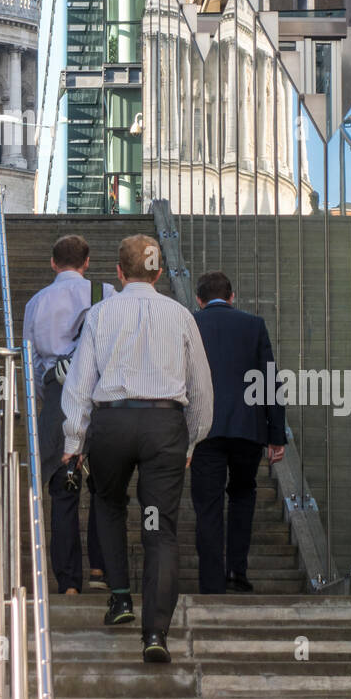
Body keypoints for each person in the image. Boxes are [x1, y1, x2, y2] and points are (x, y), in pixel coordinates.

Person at [62, 235, 213, 663]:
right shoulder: (181, 315)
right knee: (159, 527)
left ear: (119, 273)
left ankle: (121, 599)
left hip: (112, 422)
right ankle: (156, 634)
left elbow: (79, 384)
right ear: (160, 272)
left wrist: (74, 440)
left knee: (108, 505)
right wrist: (194, 437)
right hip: (163, 425)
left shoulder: (100, 314)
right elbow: (202, 386)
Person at [23, 235, 116, 595]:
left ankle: (68, 582)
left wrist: (45, 400)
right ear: (87, 261)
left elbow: (30, 361)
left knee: (63, 493)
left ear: (52, 262)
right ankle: (99, 568)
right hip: (100, 397)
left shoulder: (36, 302)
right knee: (103, 489)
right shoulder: (105, 293)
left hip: (58, 399)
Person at [191, 270, 285, 595]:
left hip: (204, 430)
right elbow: (270, 380)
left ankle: (211, 582)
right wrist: (276, 435)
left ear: (199, 299)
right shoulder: (253, 325)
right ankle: (237, 572)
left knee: (208, 505)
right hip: (248, 429)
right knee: (243, 495)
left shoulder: (190, 324)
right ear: (232, 296)